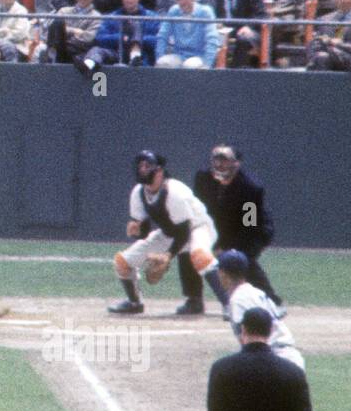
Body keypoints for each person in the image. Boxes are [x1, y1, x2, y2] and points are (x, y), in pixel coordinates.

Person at [109, 150, 230, 316]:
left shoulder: (174, 192)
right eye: (140, 165)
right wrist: (137, 231)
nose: (143, 169)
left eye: (147, 166)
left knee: (199, 255)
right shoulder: (138, 192)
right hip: (170, 232)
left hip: (197, 227)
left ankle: (229, 304)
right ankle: (134, 302)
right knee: (122, 262)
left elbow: (184, 232)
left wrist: (168, 255)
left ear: (159, 171)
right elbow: (144, 232)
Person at [193, 145, 284, 314]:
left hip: (253, 230)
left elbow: (249, 225)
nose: (220, 165)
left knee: (242, 258)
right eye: (217, 160)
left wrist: (226, 246)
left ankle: (272, 302)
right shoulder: (203, 179)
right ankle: (196, 300)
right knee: (197, 252)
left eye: (225, 160)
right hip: (221, 227)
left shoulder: (250, 188)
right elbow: (200, 209)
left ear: (236, 164)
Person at [218, 251, 301, 367]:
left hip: (274, 359)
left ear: (222, 274)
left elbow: (247, 340)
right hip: (291, 357)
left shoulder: (237, 300)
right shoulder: (256, 292)